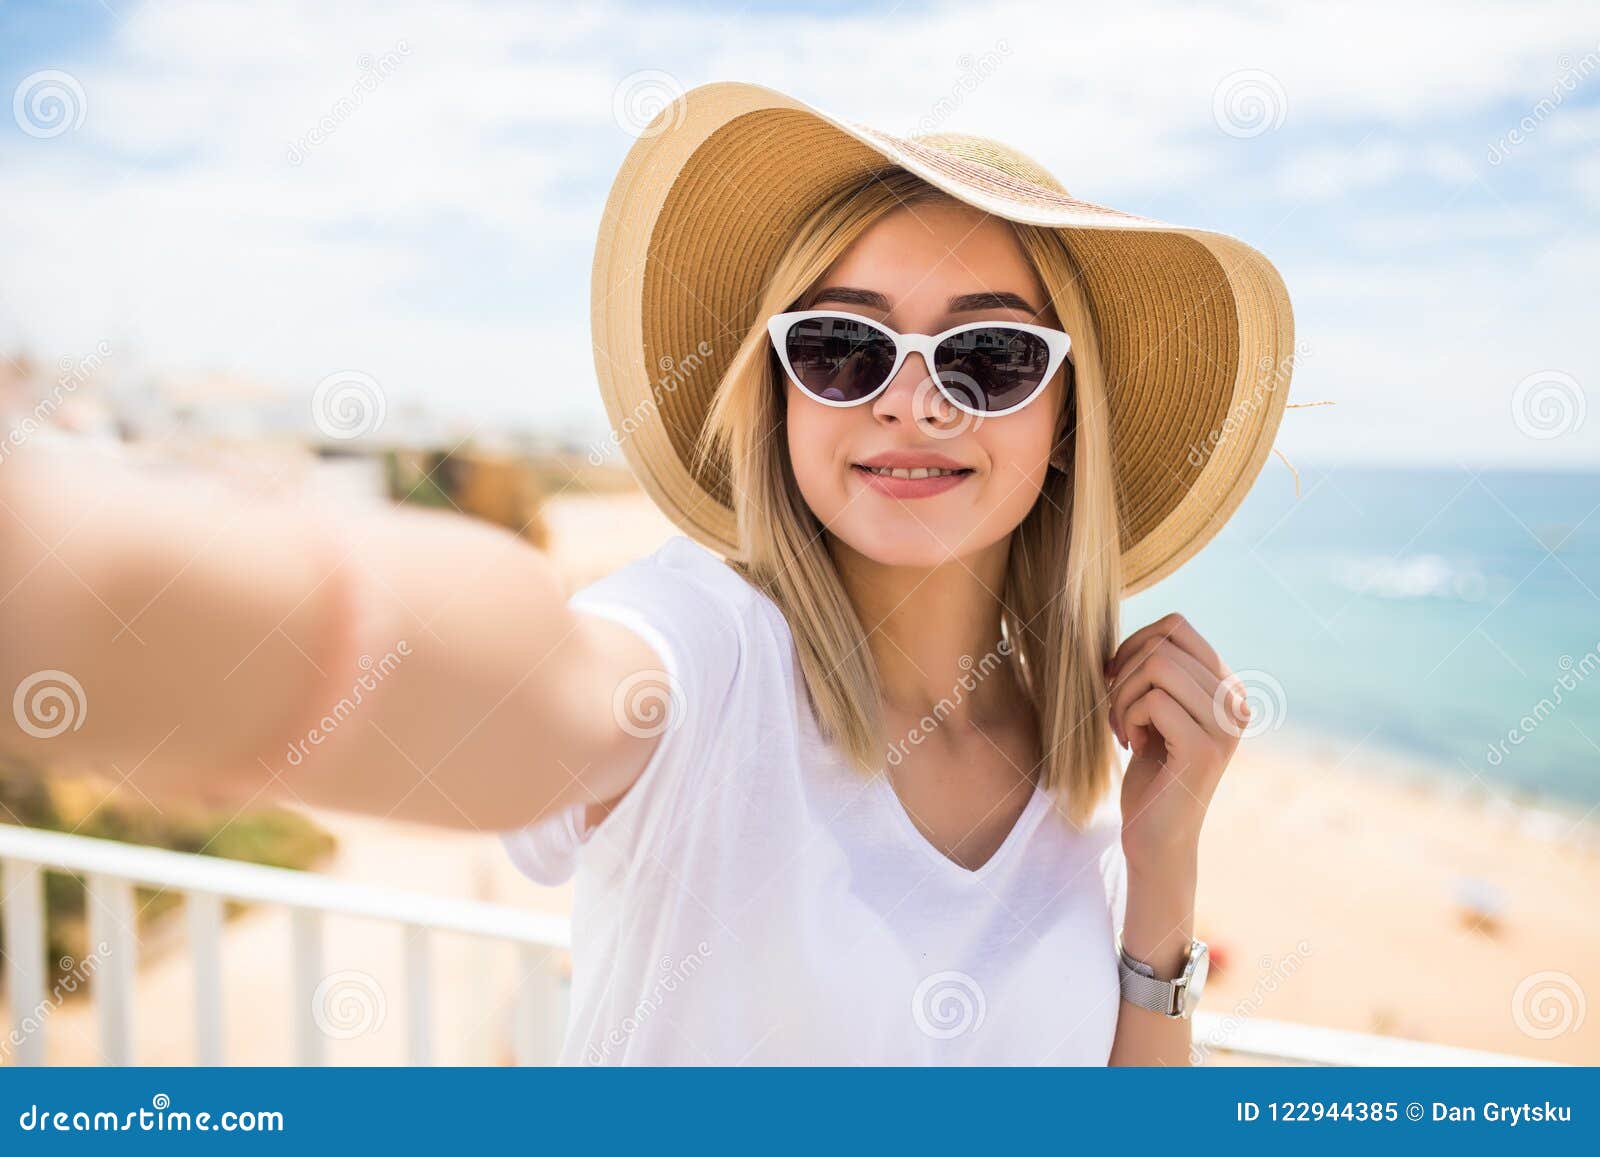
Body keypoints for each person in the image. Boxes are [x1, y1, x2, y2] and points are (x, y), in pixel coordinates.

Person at [0, 81, 1295, 1065]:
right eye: (844, 348)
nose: (915, 402)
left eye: (992, 359)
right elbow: (521, 675)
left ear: (1064, 420)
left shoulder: (1088, 773)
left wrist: (1163, 866)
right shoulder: (704, 647)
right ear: (779, 399)